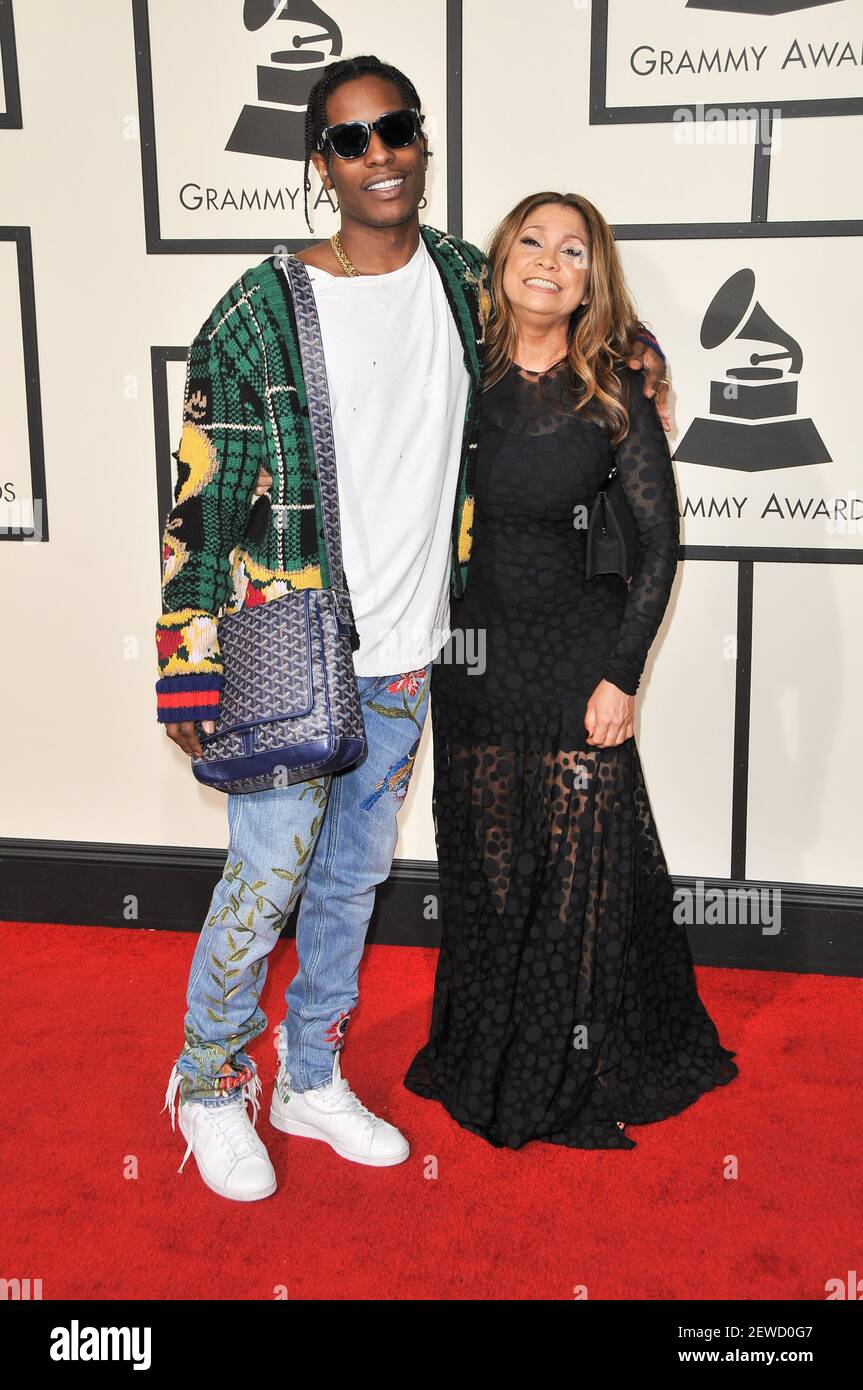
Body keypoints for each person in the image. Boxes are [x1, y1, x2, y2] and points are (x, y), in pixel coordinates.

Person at [155, 57, 667, 1200]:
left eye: (395, 129)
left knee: (349, 881)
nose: (377, 153)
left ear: (422, 145)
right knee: (264, 877)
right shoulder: (258, 310)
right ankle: (204, 1080)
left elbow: (561, 333)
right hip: (289, 653)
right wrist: (184, 663)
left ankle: (310, 1071)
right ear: (319, 164)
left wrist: (641, 363)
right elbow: (199, 493)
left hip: (405, 657)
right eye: (349, 139)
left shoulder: (455, 278)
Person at [403, 192, 739, 1149]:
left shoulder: (613, 389)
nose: (549, 262)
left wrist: (622, 677)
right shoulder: (453, 373)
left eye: (574, 251)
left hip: (577, 658)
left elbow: (658, 551)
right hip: (470, 657)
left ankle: (567, 1064)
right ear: (501, 257)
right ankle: (488, 1050)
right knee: (486, 867)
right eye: (533, 242)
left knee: (579, 872)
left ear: (594, 277)